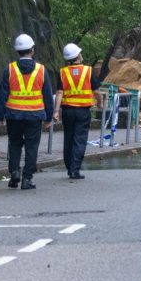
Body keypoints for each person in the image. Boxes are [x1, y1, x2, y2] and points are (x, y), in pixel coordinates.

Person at [0, 33, 54, 190]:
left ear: (17, 51)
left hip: (14, 115)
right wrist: (49, 117)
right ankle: (27, 179)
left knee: (14, 144)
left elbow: (2, 95)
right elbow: (48, 96)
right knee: (31, 147)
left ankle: (14, 172)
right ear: (32, 50)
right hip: (34, 116)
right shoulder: (41, 70)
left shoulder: (10, 69)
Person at [53, 43, 99, 180]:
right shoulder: (88, 71)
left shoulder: (62, 72)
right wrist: (101, 102)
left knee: (69, 138)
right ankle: (75, 169)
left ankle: (69, 168)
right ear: (78, 56)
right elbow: (96, 91)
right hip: (83, 111)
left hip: (67, 111)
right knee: (80, 139)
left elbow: (59, 92)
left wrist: (56, 111)